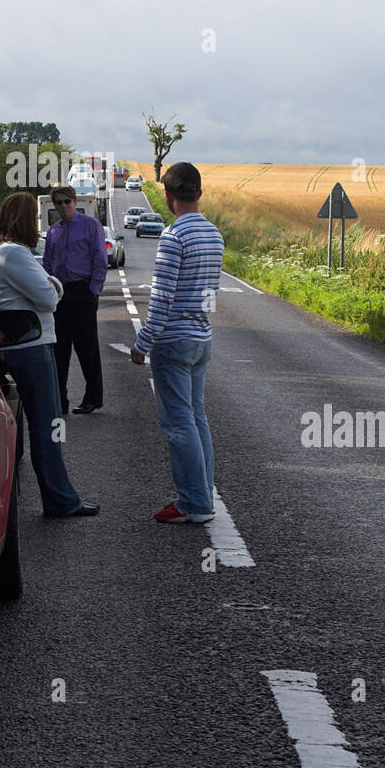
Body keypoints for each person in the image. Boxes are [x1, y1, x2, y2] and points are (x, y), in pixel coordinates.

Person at [0, 193, 99, 518]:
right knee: (47, 426)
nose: (38, 224)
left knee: (42, 425)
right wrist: (55, 286)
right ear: (23, 220)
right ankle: (61, 501)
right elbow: (49, 298)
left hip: (22, 346)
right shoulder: (16, 255)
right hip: (31, 347)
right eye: (33, 217)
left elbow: (44, 289)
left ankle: (60, 497)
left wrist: (49, 284)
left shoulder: (0, 253)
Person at [130, 163, 224, 524]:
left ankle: (194, 503)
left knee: (178, 423)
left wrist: (143, 342)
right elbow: (209, 294)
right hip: (202, 338)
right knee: (197, 418)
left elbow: (162, 297)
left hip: (173, 340)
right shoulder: (214, 234)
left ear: (168, 196)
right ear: (199, 193)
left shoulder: (173, 236)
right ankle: (203, 494)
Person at [42, 185, 107, 414]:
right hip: (59, 294)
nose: (63, 206)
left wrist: (93, 291)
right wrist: (49, 287)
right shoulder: (53, 231)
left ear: (75, 201)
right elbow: (47, 262)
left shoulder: (91, 225)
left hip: (83, 292)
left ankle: (92, 399)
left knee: (86, 348)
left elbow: (100, 258)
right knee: (58, 350)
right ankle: (60, 401)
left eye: (67, 201)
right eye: (58, 203)